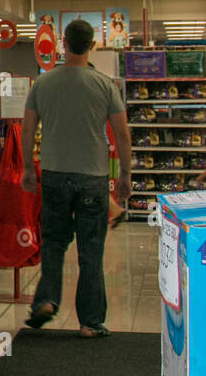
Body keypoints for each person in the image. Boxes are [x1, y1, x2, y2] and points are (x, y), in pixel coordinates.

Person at [21, 19, 132, 338]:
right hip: (92, 179)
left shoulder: (43, 84)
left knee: (54, 243)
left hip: (54, 175)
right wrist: (124, 174)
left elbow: (28, 128)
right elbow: (122, 133)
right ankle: (90, 322)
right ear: (93, 44)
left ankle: (46, 300)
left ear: (63, 44)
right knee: (91, 250)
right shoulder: (104, 85)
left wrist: (29, 168)